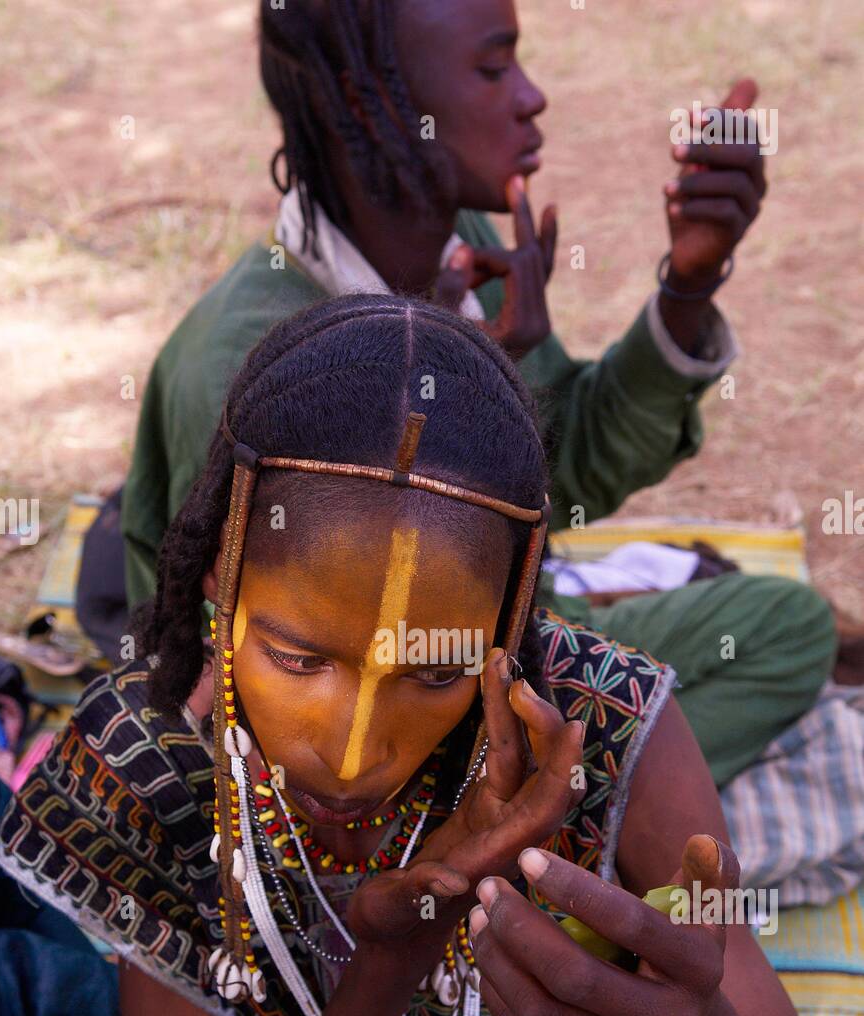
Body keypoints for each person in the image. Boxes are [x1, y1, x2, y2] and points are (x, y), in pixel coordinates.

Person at [0, 297, 860, 1016]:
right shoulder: (158, 767)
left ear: (513, 605)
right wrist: (390, 962)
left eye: (434, 671)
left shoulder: (607, 735)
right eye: (295, 654)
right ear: (218, 581)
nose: (355, 751)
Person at [115, 0, 836, 788]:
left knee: (791, 626)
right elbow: (311, 683)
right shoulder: (242, 369)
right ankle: (553, 819)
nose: (531, 97)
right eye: (494, 68)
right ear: (370, 101)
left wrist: (687, 285)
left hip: (499, 633)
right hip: (372, 716)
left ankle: (565, 804)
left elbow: (577, 472)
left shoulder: (463, 245)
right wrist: (450, 420)